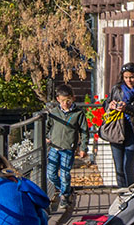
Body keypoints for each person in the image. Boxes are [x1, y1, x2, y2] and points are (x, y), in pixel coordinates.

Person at [103, 61, 134, 188]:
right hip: (117, 129)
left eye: (131, 77)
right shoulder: (116, 89)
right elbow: (105, 104)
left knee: (128, 166)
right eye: (126, 77)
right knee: (119, 167)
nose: (129, 80)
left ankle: (133, 194)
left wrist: (128, 108)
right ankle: (123, 194)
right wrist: (111, 105)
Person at [44, 85, 89, 214]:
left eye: (68, 100)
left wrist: (83, 147)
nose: (66, 104)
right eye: (63, 101)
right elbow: (48, 126)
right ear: (58, 99)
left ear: (73, 99)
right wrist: (47, 137)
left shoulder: (78, 113)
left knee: (64, 174)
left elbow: (84, 131)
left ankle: (64, 196)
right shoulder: (53, 113)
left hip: (68, 148)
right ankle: (66, 190)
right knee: (51, 174)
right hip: (54, 147)